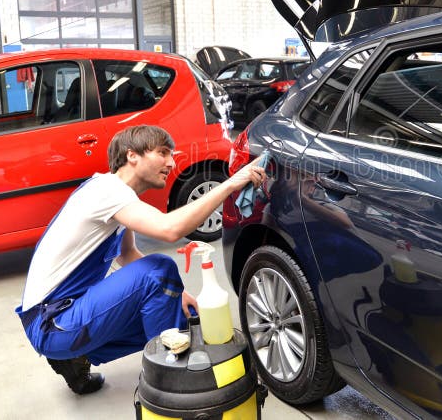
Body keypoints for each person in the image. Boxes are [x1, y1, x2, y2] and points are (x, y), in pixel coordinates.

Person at [14, 125, 265, 395]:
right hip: (54, 322)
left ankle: (76, 358)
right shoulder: (107, 192)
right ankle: (171, 382)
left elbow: (127, 253)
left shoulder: (112, 192)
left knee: (179, 310)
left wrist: (177, 294)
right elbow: (170, 230)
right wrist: (230, 184)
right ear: (132, 156)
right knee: (159, 269)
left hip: (59, 317)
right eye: (162, 153)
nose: (171, 162)